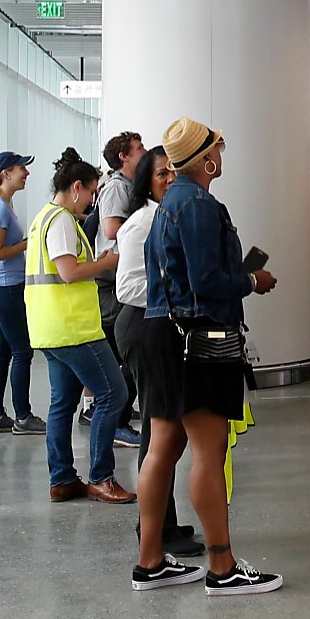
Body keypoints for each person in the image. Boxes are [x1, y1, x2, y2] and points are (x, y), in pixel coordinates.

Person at [142, 116, 283, 596]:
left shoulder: (167, 204)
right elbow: (206, 282)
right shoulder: (199, 204)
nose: (221, 155)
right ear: (207, 158)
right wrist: (251, 281)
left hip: (163, 331)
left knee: (164, 446)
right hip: (199, 340)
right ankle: (221, 568)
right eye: (218, 148)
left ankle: (150, 560)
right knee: (208, 448)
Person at [26, 149, 135, 504]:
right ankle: (101, 476)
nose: (92, 201)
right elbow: (69, 272)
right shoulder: (60, 221)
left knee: (63, 402)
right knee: (113, 394)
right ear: (76, 188)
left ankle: (62, 479)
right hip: (73, 328)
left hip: (51, 327)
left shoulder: (44, 217)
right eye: (91, 193)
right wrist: (108, 262)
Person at [113, 145, 201, 560]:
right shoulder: (141, 222)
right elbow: (127, 288)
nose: (168, 179)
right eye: (160, 173)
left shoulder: (170, 216)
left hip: (163, 327)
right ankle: (155, 532)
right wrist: (177, 291)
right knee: (160, 434)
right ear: (145, 180)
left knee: (168, 433)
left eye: (173, 172)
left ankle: (164, 520)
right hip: (146, 328)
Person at [0, 151, 40, 436]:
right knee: (22, 351)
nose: (25, 173)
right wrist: (28, 243)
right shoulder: (0, 208)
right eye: (20, 169)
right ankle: (23, 416)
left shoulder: (1, 204)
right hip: (5, 289)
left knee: (2, 352)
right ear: (5, 174)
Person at [95, 130, 145, 445]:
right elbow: (111, 228)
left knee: (126, 357)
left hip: (121, 278)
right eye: (138, 148)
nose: (143, 151)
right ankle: (116, 420)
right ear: (123, 157)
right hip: (113, 282)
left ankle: (116, 414)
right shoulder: (116, 188)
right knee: (126, 356)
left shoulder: (129, 187)